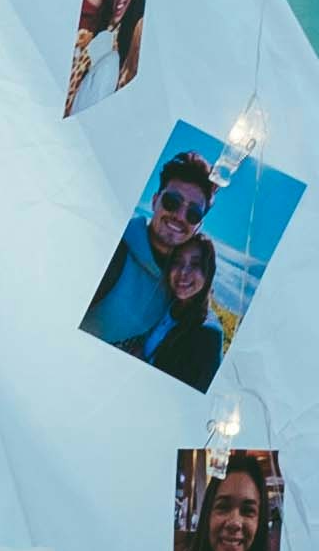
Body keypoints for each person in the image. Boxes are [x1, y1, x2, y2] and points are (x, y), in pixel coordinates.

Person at [90, 147, 240, 386]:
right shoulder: (113, 250)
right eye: (172, 202)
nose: (180, 216)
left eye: (192, 214)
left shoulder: (174, 283)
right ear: (154, 200)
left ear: (198, 226)